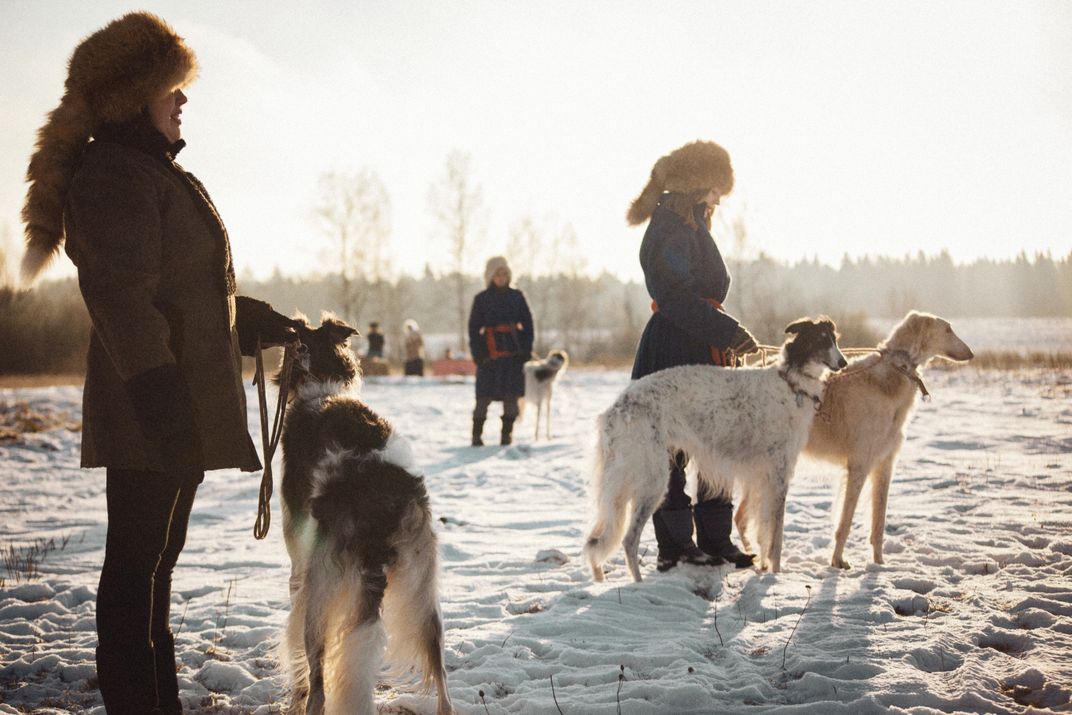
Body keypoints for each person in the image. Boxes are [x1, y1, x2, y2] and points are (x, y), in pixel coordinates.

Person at [20, 13, 300, 714]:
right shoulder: (114, 174)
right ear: (130, 94)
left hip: (173, 407)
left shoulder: (149, 171)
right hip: (151, 408)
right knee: (134, 573)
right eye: (171, 88)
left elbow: (188, 291)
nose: (183, 100)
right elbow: (121, 295)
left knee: (155, 570)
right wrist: (157, 391)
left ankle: (156, 703)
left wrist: (257, 320)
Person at [627, 140, 760, 573]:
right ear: (698, 183)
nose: (720, 198)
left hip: (704, 345)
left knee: (717, 446)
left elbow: (706, 292)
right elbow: (676, 297)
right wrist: (728, 331)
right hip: (674, 346)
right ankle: (677, 547)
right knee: (671, 450)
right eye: (717, 188)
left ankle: (716, 540)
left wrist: (725, 334)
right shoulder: (669, 227)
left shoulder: (695, 224)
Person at [468, 256, 533, 446]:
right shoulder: (481, 299)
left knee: (511, 399)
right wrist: (478, 354)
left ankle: (507, 436)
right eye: (498, 274)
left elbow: (528, 325)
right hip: (489, 356)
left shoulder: (517, 297)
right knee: (482, 399)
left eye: (504, 273)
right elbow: (473, 329)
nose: (501, 277)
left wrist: (526, 349)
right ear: (490, 275)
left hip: (513, 356)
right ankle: (476, 436)